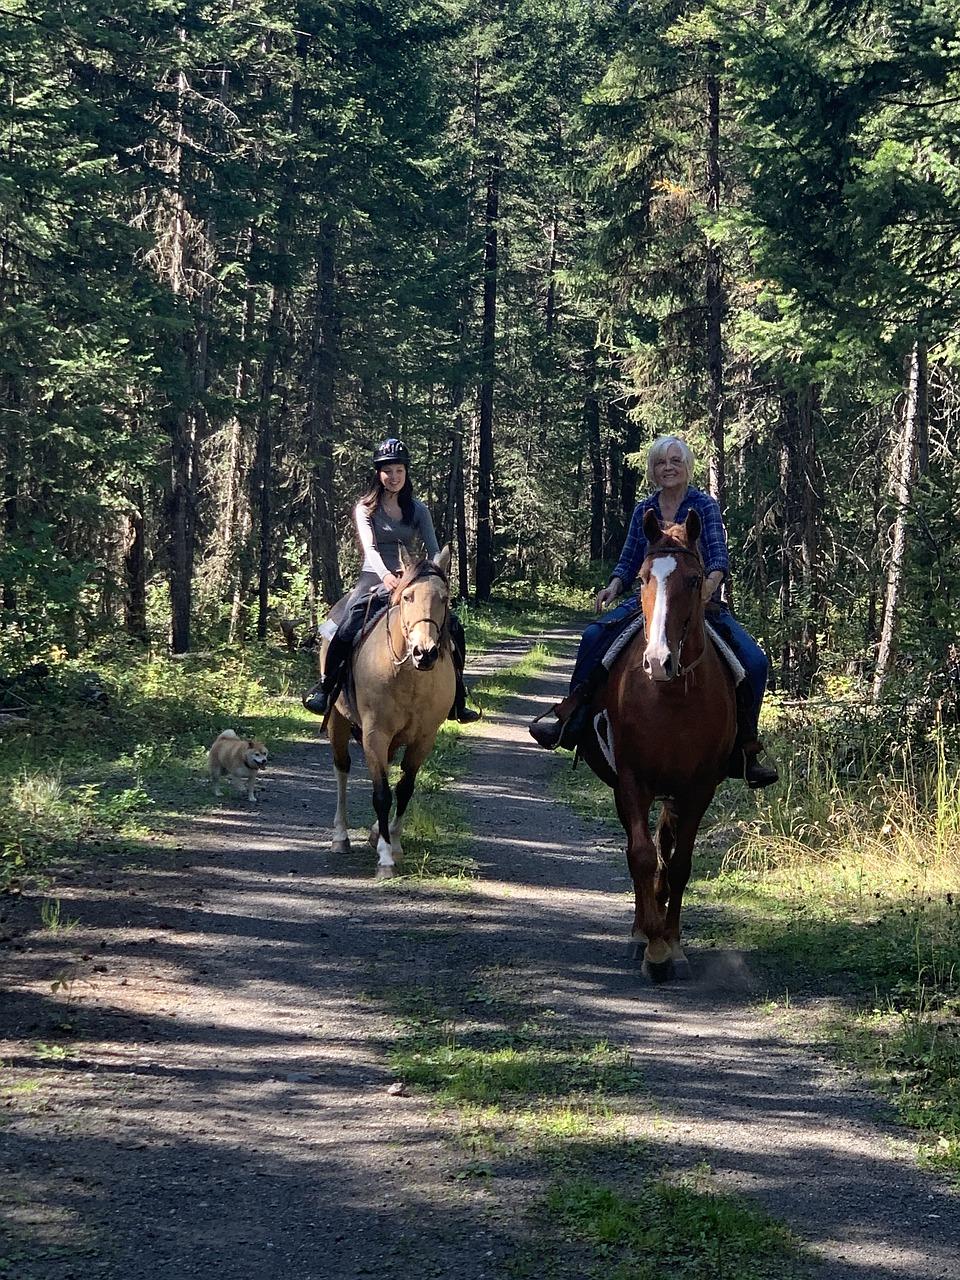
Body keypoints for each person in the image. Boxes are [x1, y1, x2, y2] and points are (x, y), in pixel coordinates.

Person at [528, 435, 778, 788]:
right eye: (661, 462)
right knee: (593, 637)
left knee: (754, 662)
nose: (668, 468)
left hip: (698, 601)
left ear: (687, 466)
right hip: (649, 600)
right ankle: (572, 718)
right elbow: (630, 558)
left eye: (675, 461)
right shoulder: (645, 509)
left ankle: (746, 748)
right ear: (653, 469)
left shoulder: (703, 506)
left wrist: (709, 586)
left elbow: (718, 557)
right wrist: (614, 585)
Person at [303, 437, 480, 723]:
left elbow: (434, 550)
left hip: (411, 579)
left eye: (399, 471)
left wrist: (433, 576)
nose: (394, 477)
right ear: (378, 474)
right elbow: (370, 549)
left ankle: (458, 696)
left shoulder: (418, 510)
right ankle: (326, 689)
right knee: (347, 623)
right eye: (387, 471)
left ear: (406, 472)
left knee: (454, 627)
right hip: (373, 577)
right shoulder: (365, 508)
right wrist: (385, 575)